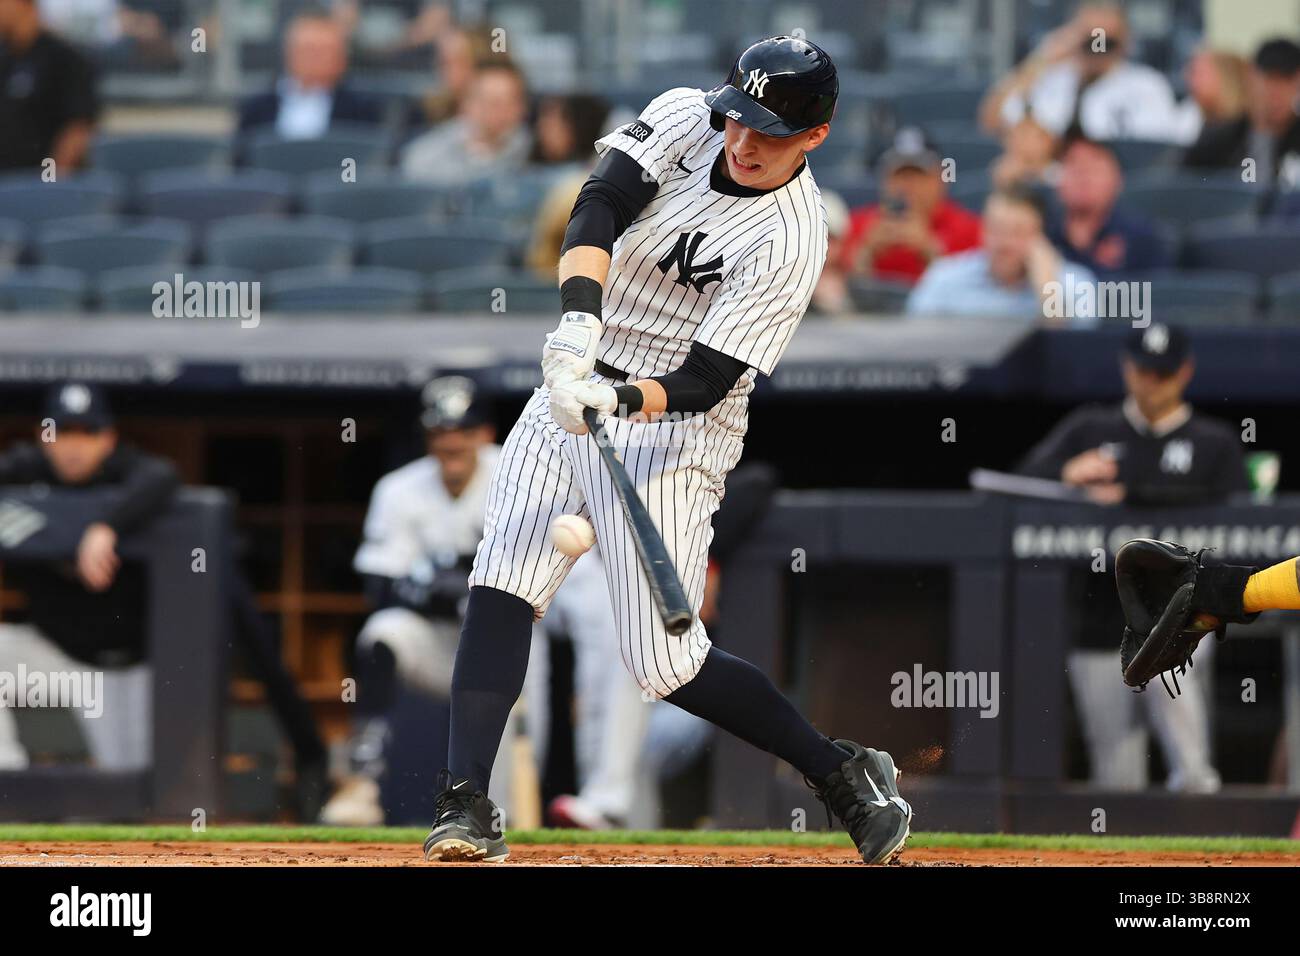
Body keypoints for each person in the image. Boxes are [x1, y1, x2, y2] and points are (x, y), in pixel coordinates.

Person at [422, 35, 912, 867]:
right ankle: (466, 800)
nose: (744, 141)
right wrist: (580, 320)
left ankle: (840, 773)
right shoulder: (690, 116)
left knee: (664, 665)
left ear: (816, 137)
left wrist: (612, 398)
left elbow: (710, 377)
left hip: (672, 428)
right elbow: (599, 203)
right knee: (501, 579)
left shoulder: (791, 240)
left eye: (770, 132)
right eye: (739, 120)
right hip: (578, 373)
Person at [1017, 325, 1248, 792]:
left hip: (1183, 617)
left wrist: (1132, 495)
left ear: (1184, 373)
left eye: (1162, 374)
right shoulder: (1091, 428)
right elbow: (1019, 482)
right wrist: (1067, 473)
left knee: (1183, 736)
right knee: (1116, 772)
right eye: (1143, 371)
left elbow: (1236, 517)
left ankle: (1203, 813)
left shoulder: (1214, 441)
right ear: (1127, 368)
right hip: (1099, 621)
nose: (1151, 383)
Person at [0, 383, 175, 770]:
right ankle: (7, 792)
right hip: (59, 656)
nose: (74, 446)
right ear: (43, 437)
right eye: (62, 433)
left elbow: (163, 475)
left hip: (132, 665)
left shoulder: (127, 471)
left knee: (132, 781)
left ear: (108, 438)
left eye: (88, 433)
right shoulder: (25, 469)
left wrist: (107, 527)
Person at [979, 2, 1179, 142]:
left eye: (1106, 42)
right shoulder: (1051, 78)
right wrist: (1041, 58)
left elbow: (1152, 151)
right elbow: (991, 122)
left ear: (1125, 44)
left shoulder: (1147, 86)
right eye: (1091, 41)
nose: (1098, 50)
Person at [906, 184, 1097, 323]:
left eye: (1018, 232)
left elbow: (1075, 359)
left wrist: (1048, 290)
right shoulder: (945, 277)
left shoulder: (1077, 284)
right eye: (995, 230)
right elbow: (915, 342)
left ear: (1041, 238)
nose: (1004, 243)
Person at [840, 127, 981, 285]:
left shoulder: (968, 228)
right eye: (899, 175)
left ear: (940, 180)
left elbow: (973, 292)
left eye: (918, 175)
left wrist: (930, 251)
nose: (907, 186)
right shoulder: (857, 225)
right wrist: (866, 253)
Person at [236, 7, 381, 139]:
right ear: (288, 52)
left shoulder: (361, 111)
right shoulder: (257, 109)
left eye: (323, 51)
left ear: (342, 57)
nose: (313, 59)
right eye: (308, 50)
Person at [1183, 38, 1300, 194]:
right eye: (1268, 79)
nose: (1275, 93)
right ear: (1252, 79)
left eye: (1285, 81)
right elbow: (1186, 188)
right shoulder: (1222, 138)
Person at [1048, 131, 1169, 277]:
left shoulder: (1141, 238)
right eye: (1074, 168)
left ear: (1118, 180)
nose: (1083, 178)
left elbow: (1157, 295)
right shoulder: (1041, 236)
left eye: (1094, 169)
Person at [0, 0, 98, 172]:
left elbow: (77, 129)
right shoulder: (6, 58)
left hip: (39, 181)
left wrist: (50, 181)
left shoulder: (65, 58)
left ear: (22, 4)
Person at [400, 59, 531, 186]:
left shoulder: (534, 149)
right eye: (491, 102)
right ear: (466, 104)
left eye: (510, 102)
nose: (501, 111)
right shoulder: (425, 158)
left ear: (522, 107)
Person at [1170, 47, 1249, 146]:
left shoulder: (1245, 135)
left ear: (1225, 78)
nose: (1186, 77)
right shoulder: (1200, 121)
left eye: (1196, 72)